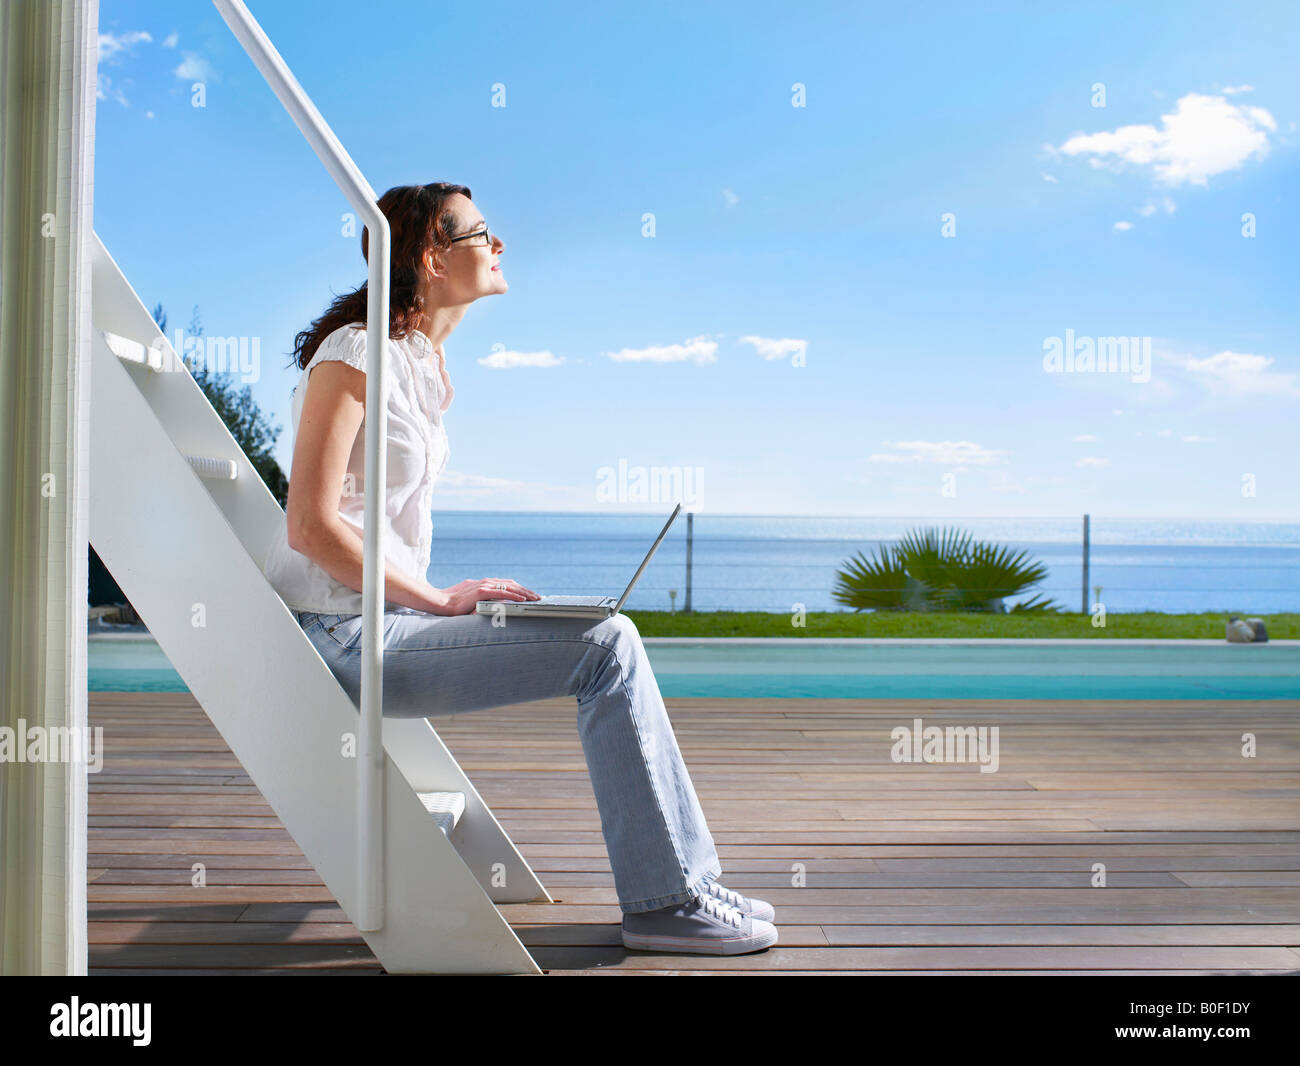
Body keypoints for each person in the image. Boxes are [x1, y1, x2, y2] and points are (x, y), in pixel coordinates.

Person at [262, 182, 777, 956]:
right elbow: (311, 525)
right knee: (607, 645)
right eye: (482, 233)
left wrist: (445, 600)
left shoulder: (418, 361)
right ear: (433, 258)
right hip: (340, 636)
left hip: (385, 620)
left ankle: (686, 885)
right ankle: (666, 902)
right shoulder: (355, 351)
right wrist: (441, 599)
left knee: (597, 631)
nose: (499, 244)